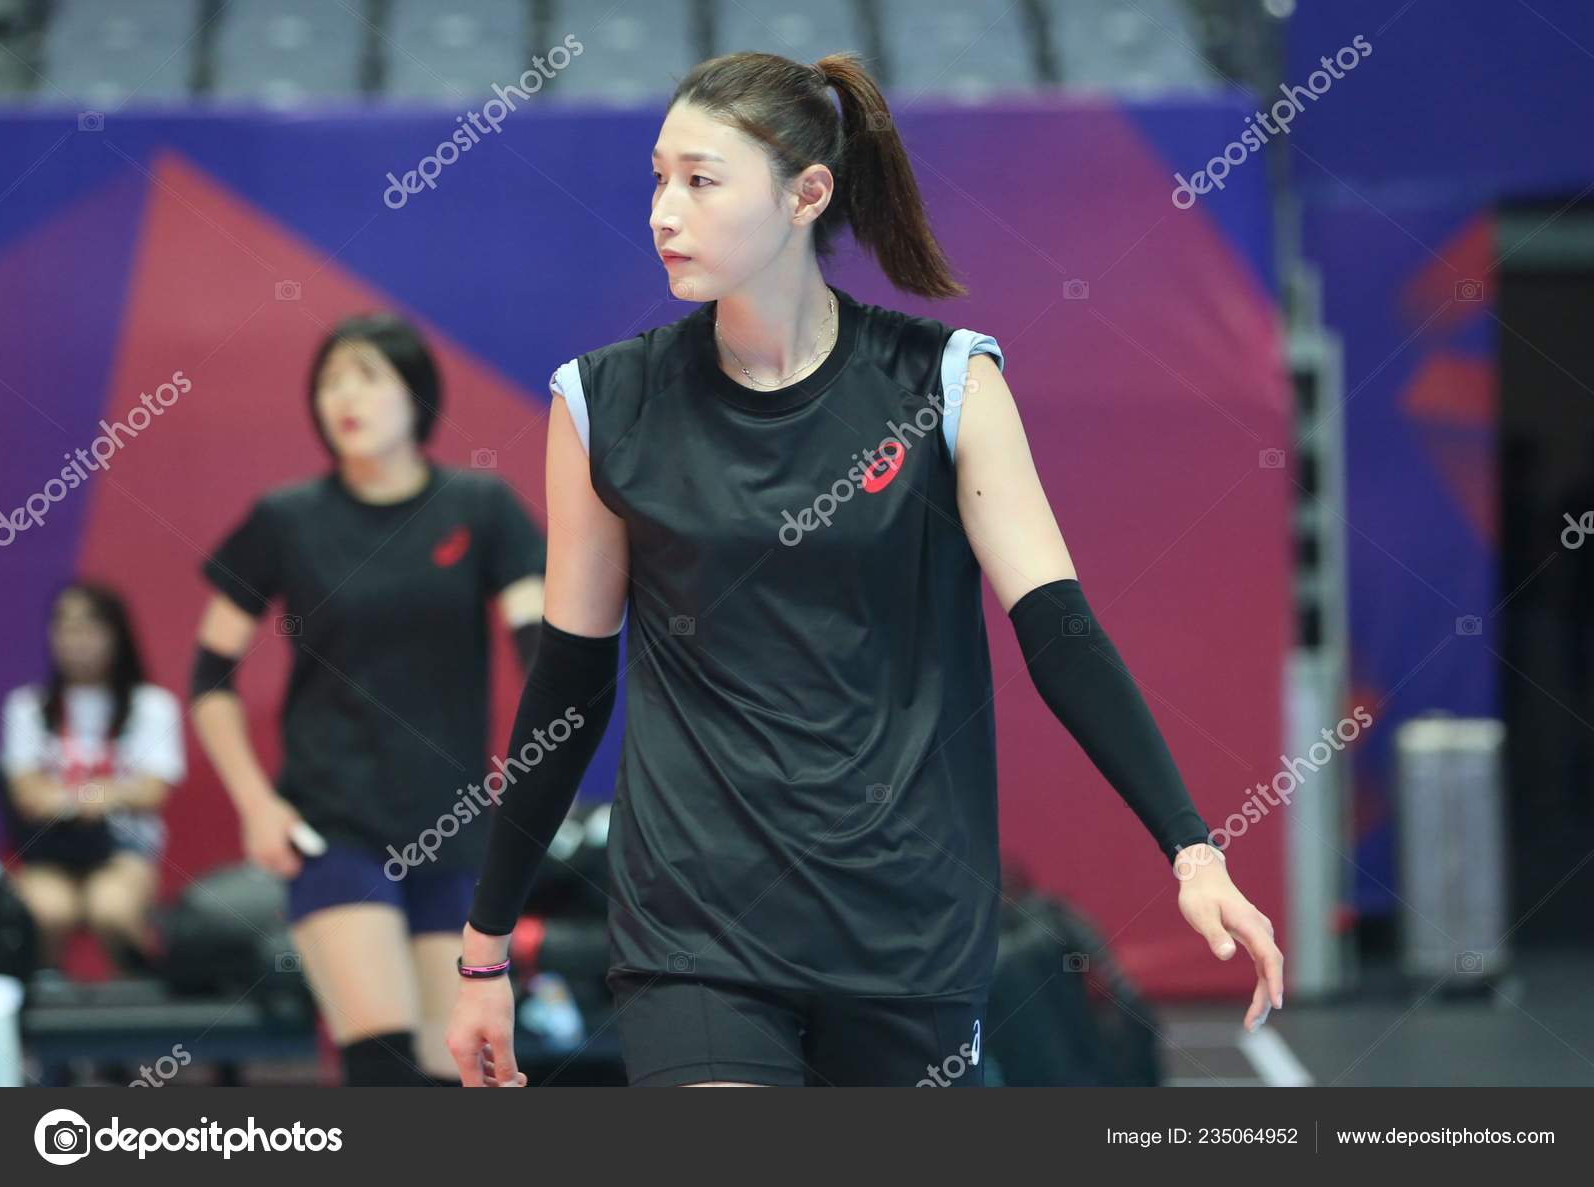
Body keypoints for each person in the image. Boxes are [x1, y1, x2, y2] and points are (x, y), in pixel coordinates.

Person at [448, 50, 1284, 1089]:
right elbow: (568, 688)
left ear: (806, 194)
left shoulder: (945, 382)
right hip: (696, 935)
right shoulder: (601, 404)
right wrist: (486, 942)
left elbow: (1059, 630)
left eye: (701, 181)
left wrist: (1190, 849)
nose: (665, 209)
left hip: (905, 929)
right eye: (658, 175)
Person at [191, 313, 547, 1086]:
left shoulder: (480, 507)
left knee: (457, 1067)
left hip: (452, 821)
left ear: (416, 394)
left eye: (367, 376)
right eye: (329, 380)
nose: (343, 397)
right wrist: (257, 805)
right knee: (383, 1064)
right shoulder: (286, 519)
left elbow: (547, 652)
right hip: (333, 820)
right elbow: (208, 680)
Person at [0, 581, 183, 973]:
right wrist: (101, 796)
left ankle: (137, 1003)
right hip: (50, 852)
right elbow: (26, 794)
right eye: (64, 627)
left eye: (88, 627)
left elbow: (152, 791)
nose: (75, 640)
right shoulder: (27, 708)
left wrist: (65, 796)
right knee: (42, 911)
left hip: (123, 851)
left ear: (116, 633)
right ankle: (43, 1008)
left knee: (111, 908)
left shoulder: (152, 706)